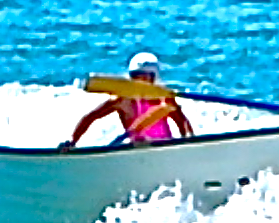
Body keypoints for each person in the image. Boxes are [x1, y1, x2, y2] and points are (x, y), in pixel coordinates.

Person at [59, 52, 194, 150]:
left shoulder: (164, 98)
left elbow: (182, 122)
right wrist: (72, 141)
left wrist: (189, 143)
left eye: (144, 78)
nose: (140, 82)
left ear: (153, 78)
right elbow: (90, 117)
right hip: (137, 149)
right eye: (136, 77)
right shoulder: (122, 100)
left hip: (165, 147)